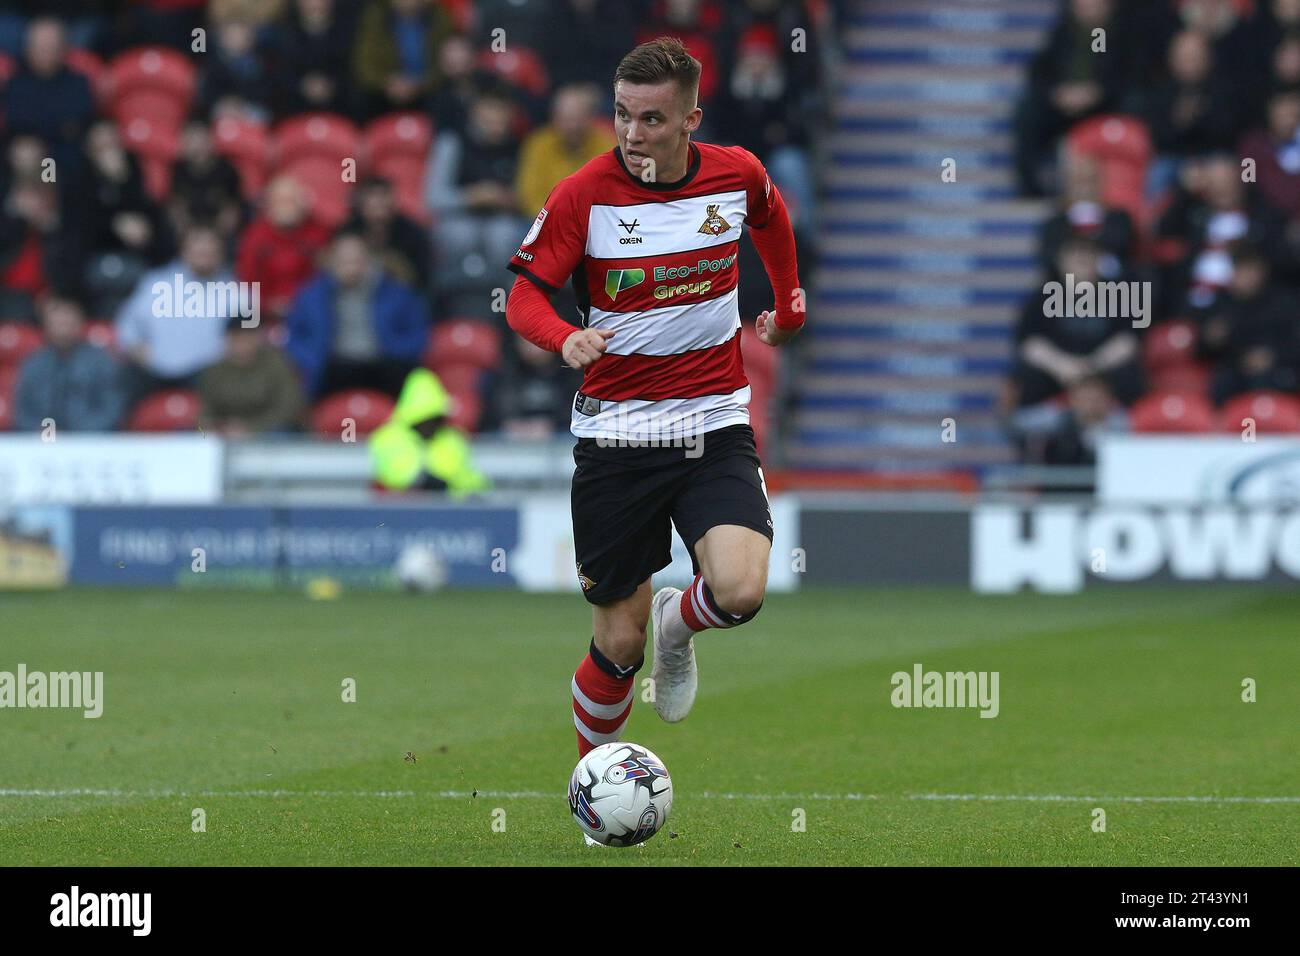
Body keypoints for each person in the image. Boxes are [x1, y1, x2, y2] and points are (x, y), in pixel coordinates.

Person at [503, 38, 804, 790]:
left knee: (740, 591)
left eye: (652, 119)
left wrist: (788, 301)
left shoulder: (738, 174)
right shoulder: (583, 193)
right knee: (618, 645)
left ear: (690, 120)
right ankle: (593, 793)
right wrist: (564, 335)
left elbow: (771, 215)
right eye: (622, 116)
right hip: (617, 436)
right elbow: (522, 296)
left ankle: (683, 621)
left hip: (711, 421)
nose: (632, 134)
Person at [284, 230, 428, 399]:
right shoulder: (311, 296)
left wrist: (395, 350)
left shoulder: (397, 293)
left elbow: (418, 334)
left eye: (356, 260)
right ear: (331, 262)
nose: (351, 268)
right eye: (344, 261)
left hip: (383, 363)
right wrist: (311, 358)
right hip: (333, 366)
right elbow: (293, 337)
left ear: (369, 260)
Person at [14, 291, 127, 432]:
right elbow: (24, 414)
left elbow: (111, 411)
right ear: (44, 322)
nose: (62, 321)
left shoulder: (103, 363)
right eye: (56, 315)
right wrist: (45, 435)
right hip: (42, 447)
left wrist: (74, 437)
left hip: (91, 445)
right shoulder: (33, 364)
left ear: (81, 320)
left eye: (68, 314)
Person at [369, 368, 489, 496]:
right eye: (428, 419)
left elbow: (470, 479)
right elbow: (396, 476)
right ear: (416, 417)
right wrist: (424, 481)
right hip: (399, 511)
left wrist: (455, 488)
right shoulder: (387, 438)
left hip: (447, 509)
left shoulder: (453, 438)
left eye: (436, 418)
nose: (432, 424)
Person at [197, 316, 306, 436]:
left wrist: (251, 428)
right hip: (228, 435)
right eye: (236, 338)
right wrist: (215, 427)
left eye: (247, 338)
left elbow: (289, 407)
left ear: (257, 338)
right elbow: (205, 410)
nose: (242, 345)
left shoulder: (277, 364)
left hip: (269, 431)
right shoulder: (215, 371)